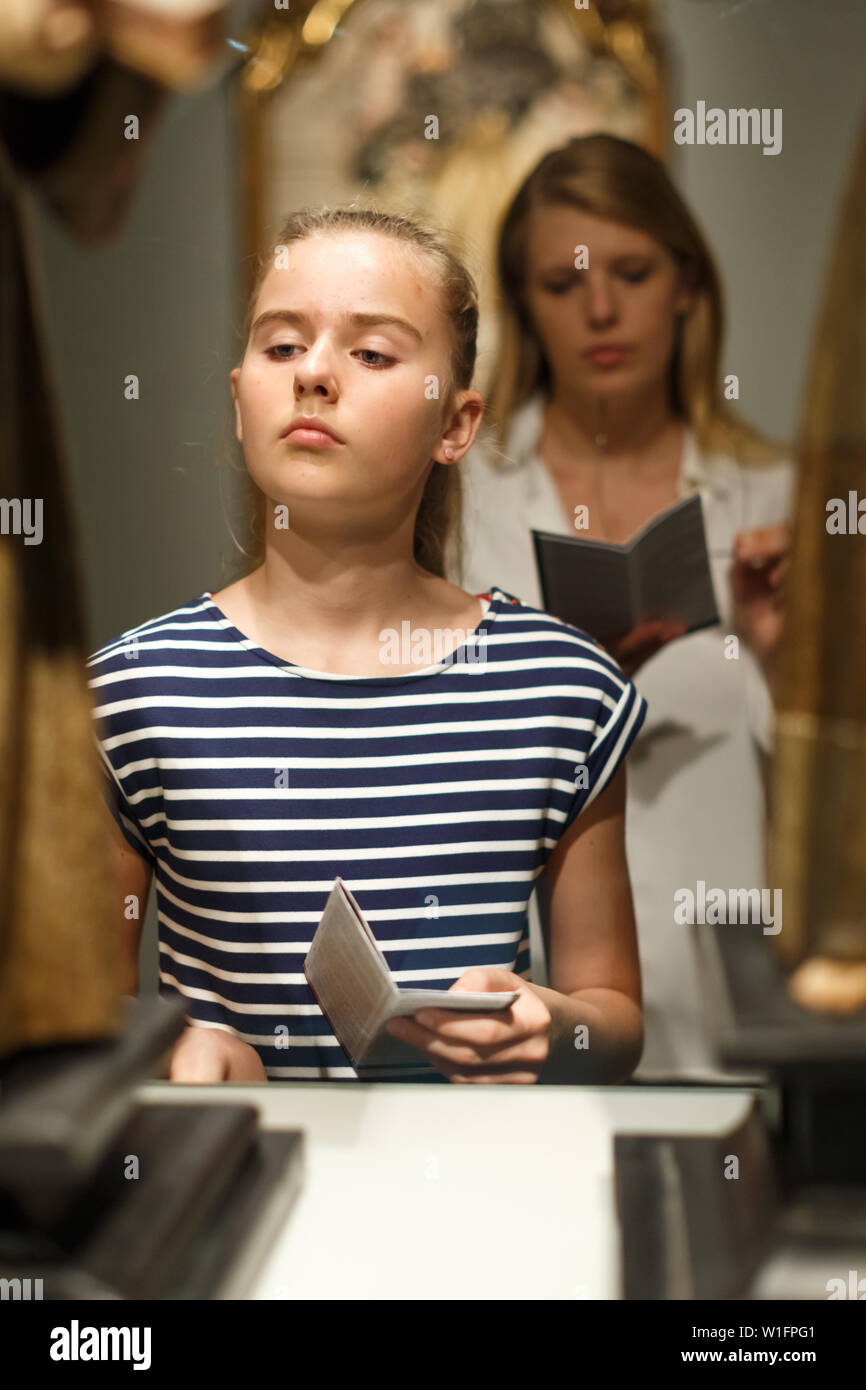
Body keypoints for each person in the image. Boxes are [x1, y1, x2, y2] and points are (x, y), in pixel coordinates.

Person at [87, 205, 649, 1085]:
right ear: (239, 401)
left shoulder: (561, 688)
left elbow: (614, 1014)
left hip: (480, 1196)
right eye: (282, 347)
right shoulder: (137, 690)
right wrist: (180, 1050)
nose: (314, 373)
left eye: (372, 353)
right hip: (236, 1196)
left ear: (455, 425)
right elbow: (82, 1026)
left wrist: (556, 1027)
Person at [455, 135, 795, 1081]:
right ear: (525, 302)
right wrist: (566, 700)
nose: (601, 309)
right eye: (562, 285)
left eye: (633, 273)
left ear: (687, 284)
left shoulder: (775, 500)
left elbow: (834, 798)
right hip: (523, 999)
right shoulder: (459, 501)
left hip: (740, 979)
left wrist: (778, 662)